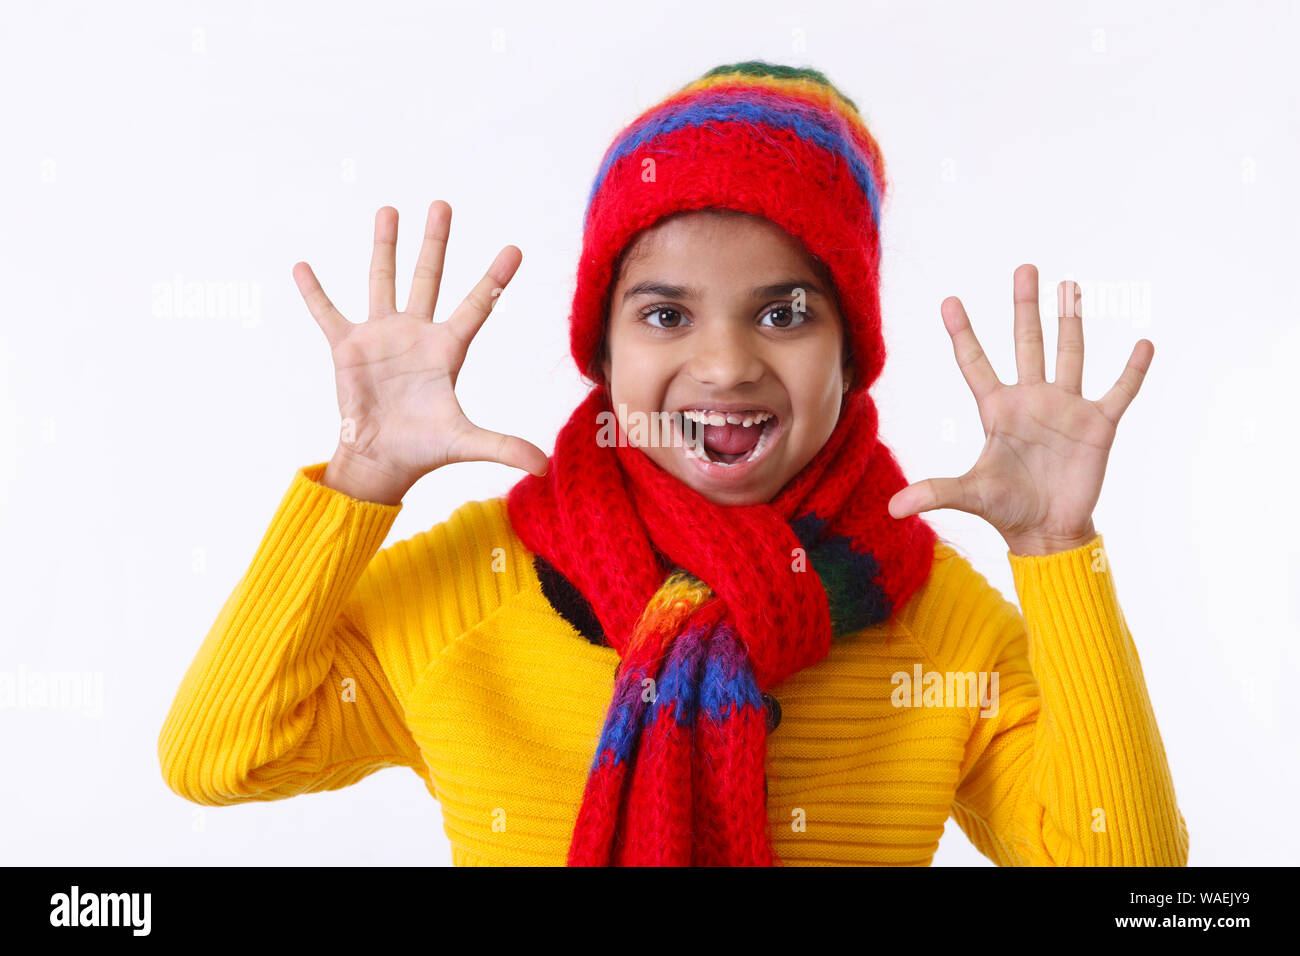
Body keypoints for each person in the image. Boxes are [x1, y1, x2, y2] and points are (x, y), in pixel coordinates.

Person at [157, 61, 1188, 866]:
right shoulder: (475, 585)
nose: (727, 365)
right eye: (665, 313)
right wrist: (359, 482)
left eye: (785, 312)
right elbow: (219, 754)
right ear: (602, 350)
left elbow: (1125, 862)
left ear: (853, 355)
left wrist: (1058, 550)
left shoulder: (935, 623)